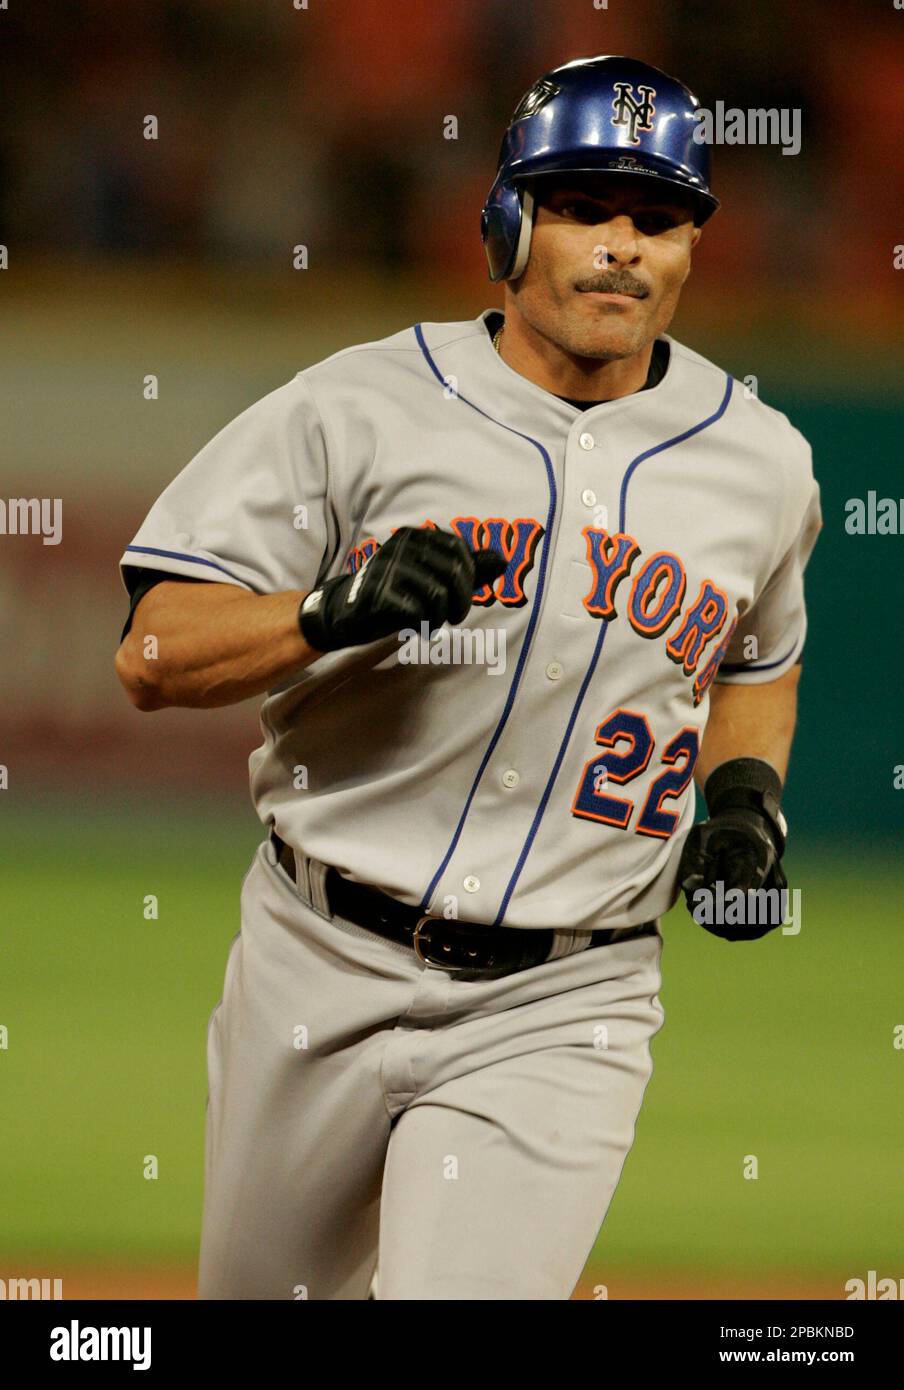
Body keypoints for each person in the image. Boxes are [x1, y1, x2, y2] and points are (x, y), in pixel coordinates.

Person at [114, 55, 821, 1300]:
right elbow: (155, 652)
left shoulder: (760, 461)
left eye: (655, 219)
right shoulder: (358, 405)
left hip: (570, 992)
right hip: (316, 957)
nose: (620, 248)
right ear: (507, 223)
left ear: (693, 249)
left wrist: (748, 800)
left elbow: (760, 657)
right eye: (581, 207)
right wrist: (324, 614)